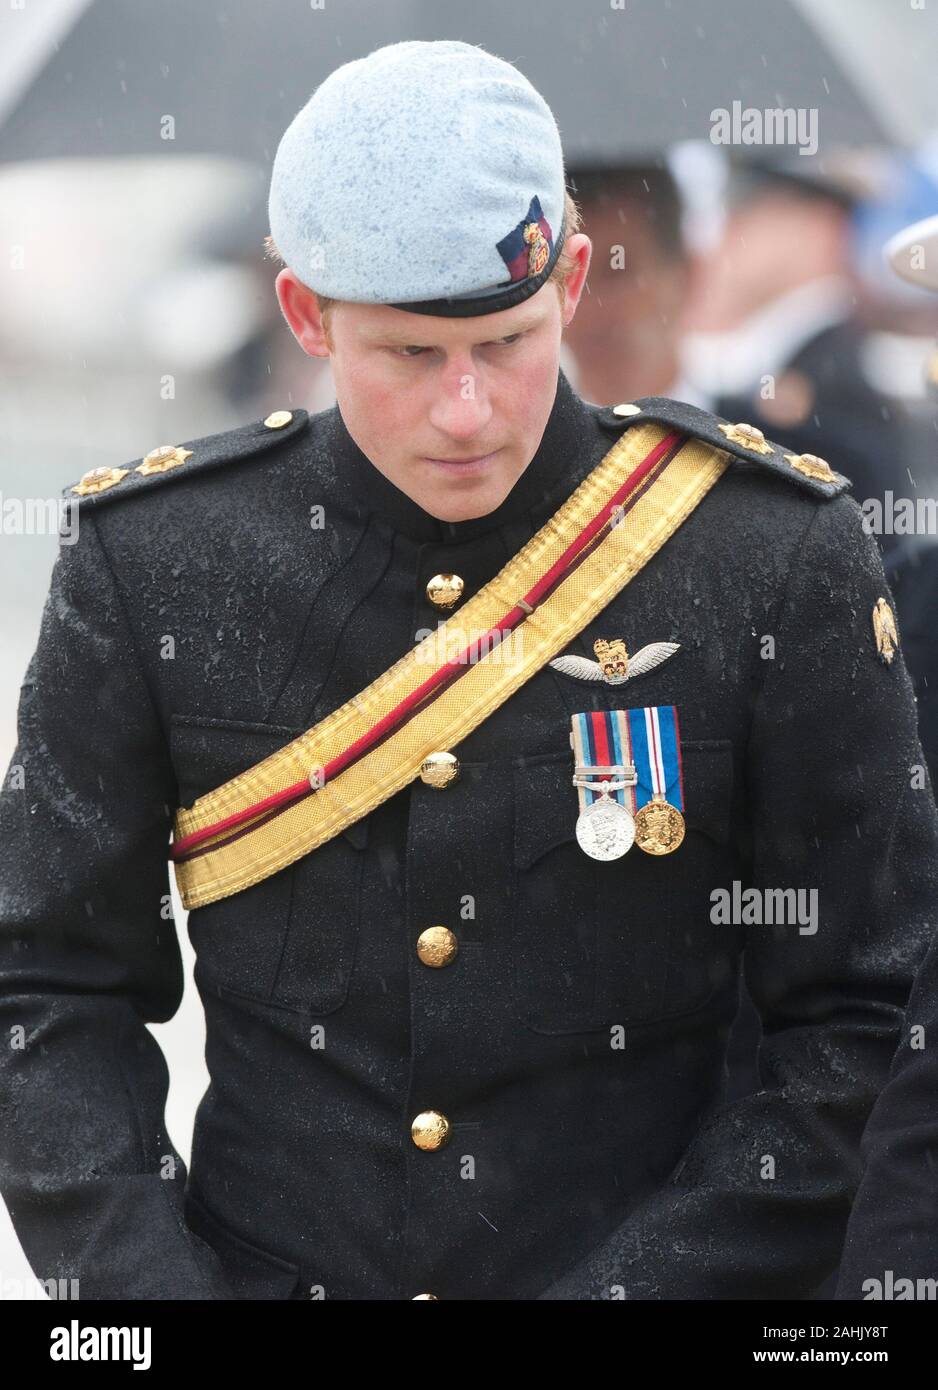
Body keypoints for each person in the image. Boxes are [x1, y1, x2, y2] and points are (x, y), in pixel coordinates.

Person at [0, 38, 936, 1302]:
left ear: (575, 281)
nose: (468, 411)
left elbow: (861, 1010)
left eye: (504, 342)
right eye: (404, 355)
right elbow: (48, 984)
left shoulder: (765, 557)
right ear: (304, 315)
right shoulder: (156, 563)